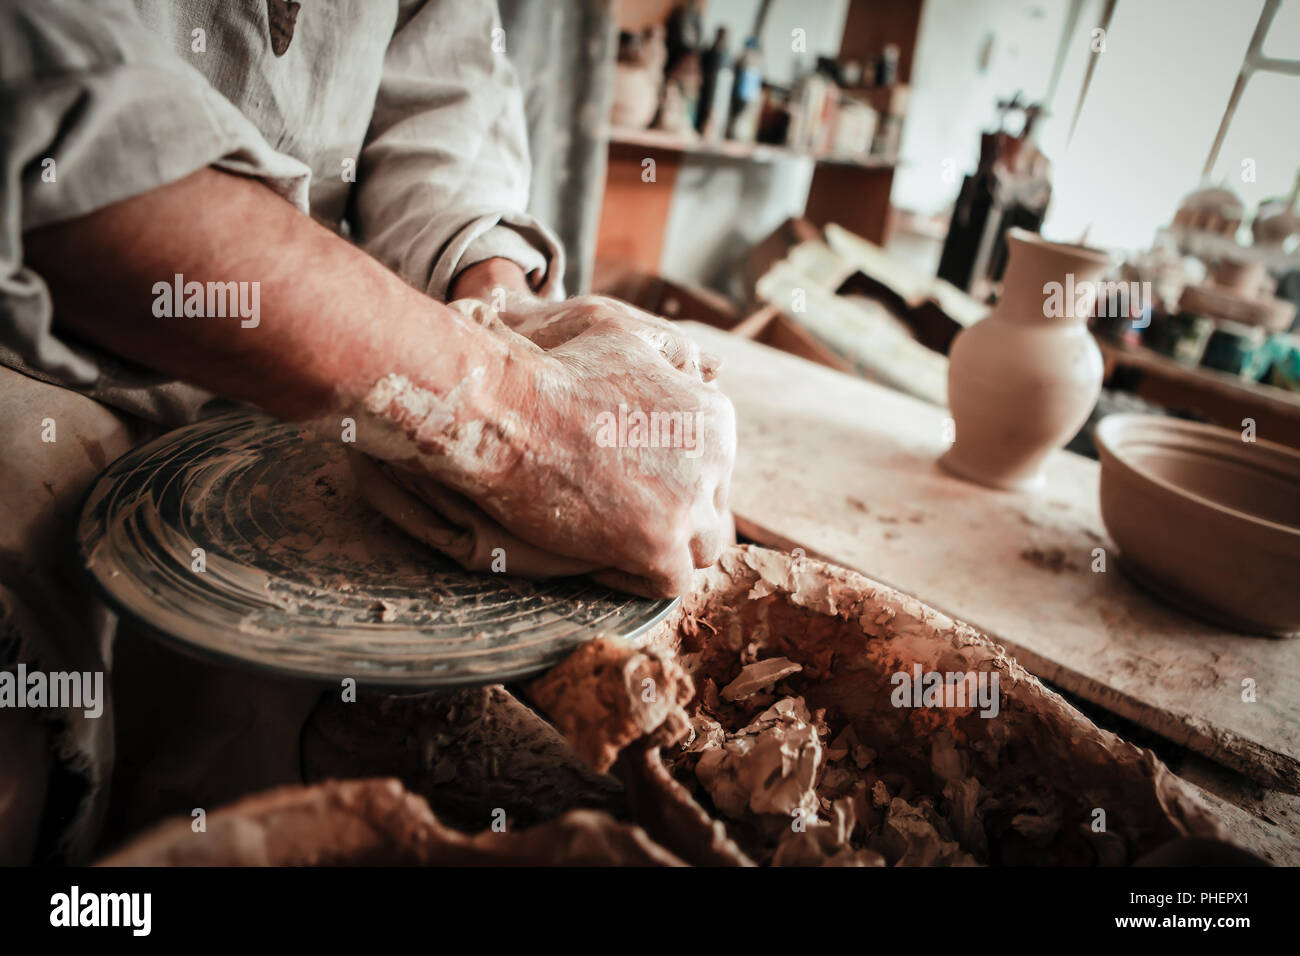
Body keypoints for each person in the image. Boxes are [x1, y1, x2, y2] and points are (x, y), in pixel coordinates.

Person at [0, 0, 736, 863]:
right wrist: (503, 413)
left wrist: (496, 314)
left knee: (290, 740)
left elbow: (441, 106)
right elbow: (44, 122)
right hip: (30, 360)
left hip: (321, 363)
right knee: (23, 761)